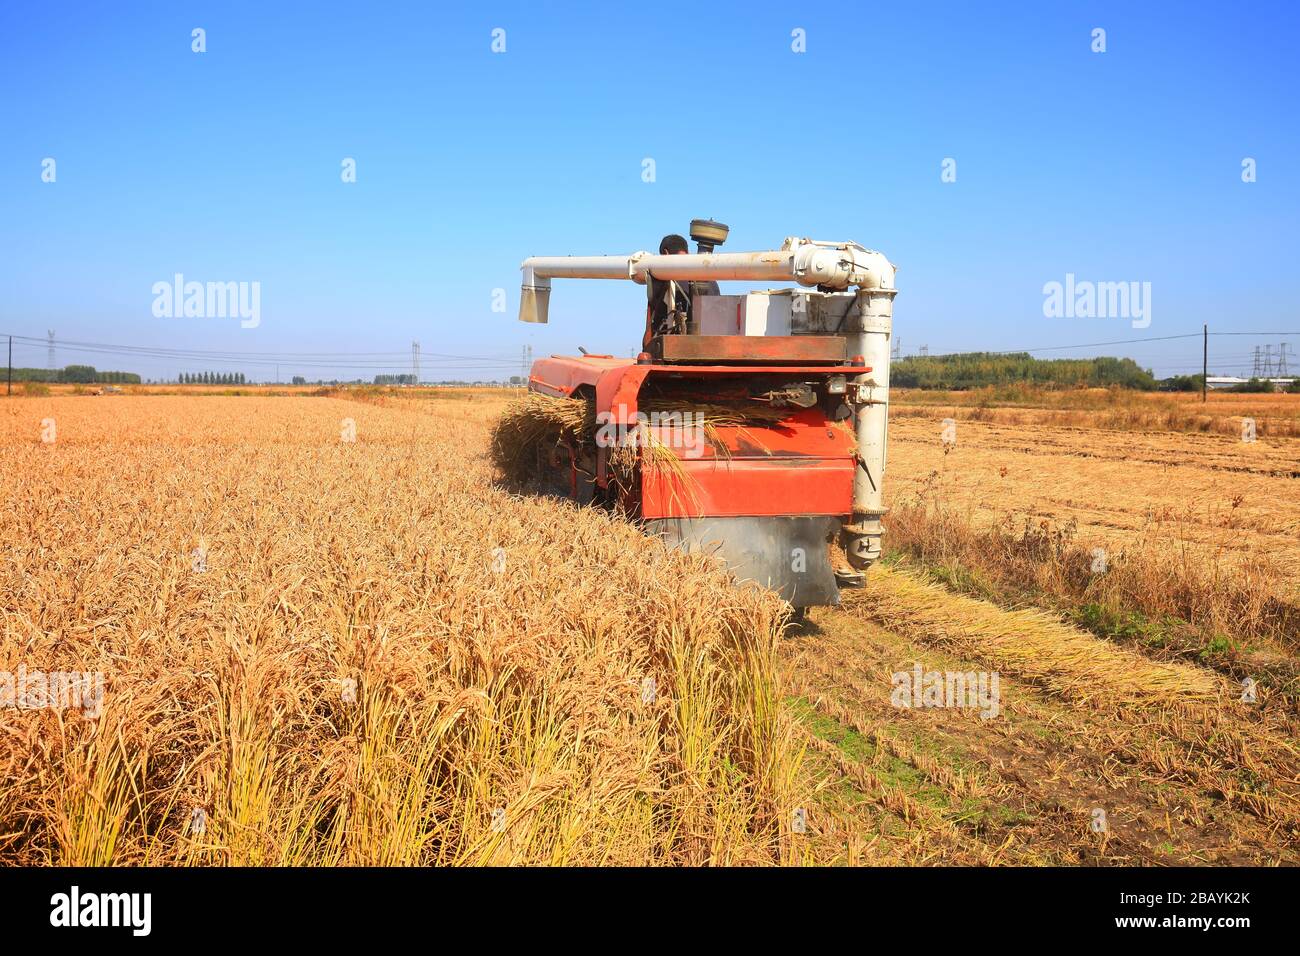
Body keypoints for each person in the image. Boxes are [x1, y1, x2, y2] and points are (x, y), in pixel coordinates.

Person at [643, 234, 691, 350]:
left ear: (665, 253)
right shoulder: (710, 278)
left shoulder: (662, 279)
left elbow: (651, 323)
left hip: (671, 349)